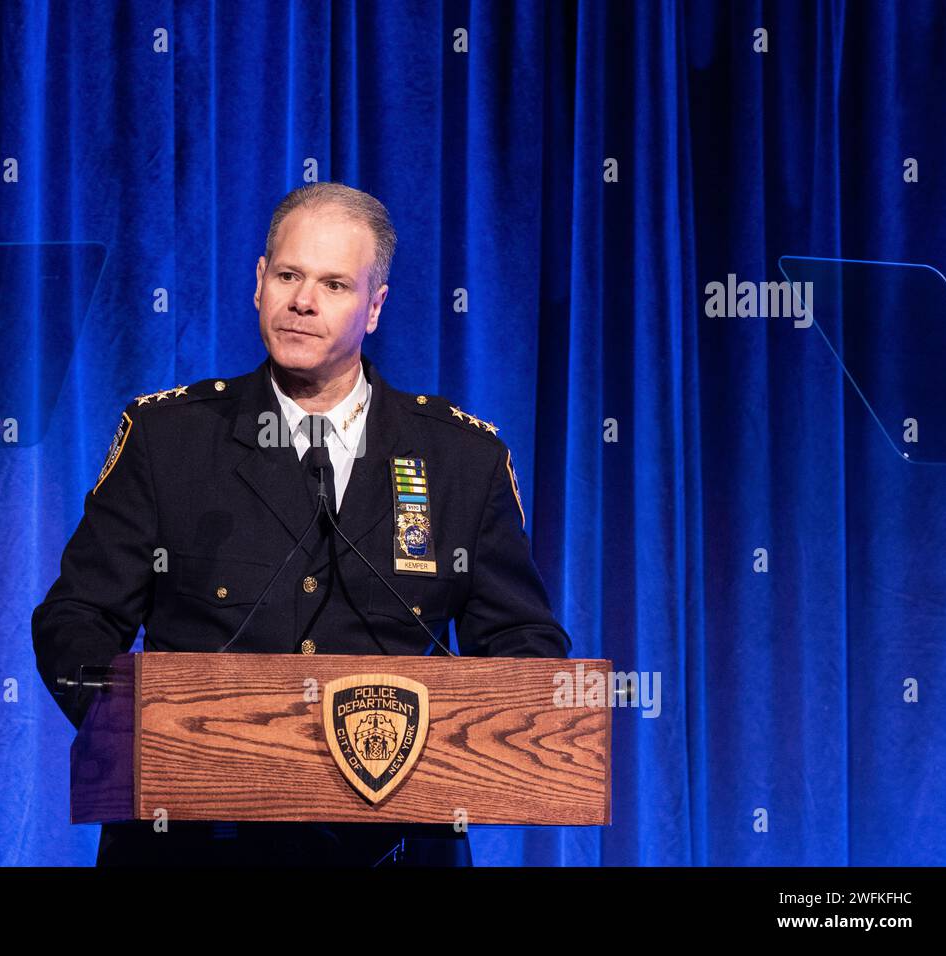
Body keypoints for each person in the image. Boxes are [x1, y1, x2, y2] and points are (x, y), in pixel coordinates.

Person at [32, 182, 570, 866]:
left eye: (335, 284)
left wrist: (480, 733)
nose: (303, 302)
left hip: (395, 847)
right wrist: (140, 734)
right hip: (192, 848)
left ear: (374, 306)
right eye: (288, 275)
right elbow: (75, 620)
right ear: (260, 283)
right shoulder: (169, 439)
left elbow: (523, 640)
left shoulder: (461, 458)